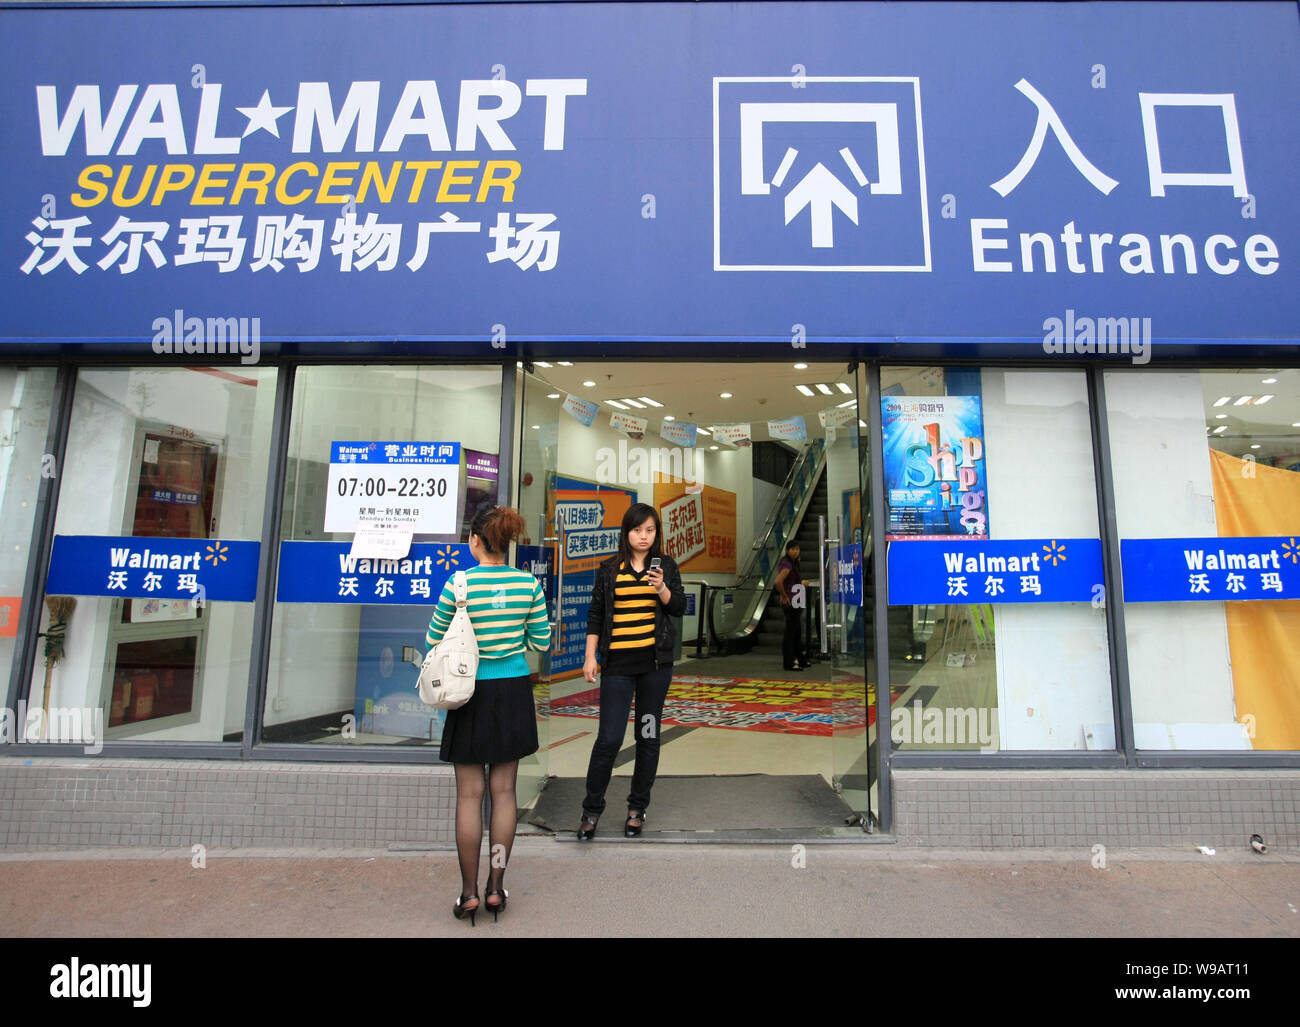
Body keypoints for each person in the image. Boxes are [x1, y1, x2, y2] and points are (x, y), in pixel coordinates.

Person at [426, 505, 550, 925]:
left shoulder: (458, 583)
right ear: (507, 542)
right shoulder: (527, 584)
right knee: (504, 792)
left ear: (475, 541)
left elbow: (433, 637)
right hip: (512, 692)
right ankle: (496, 887)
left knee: (469, 795)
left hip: (468, 693)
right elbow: (542, 640)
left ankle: (468, 894)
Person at [577, 503, 686, 840]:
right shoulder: (610, 569)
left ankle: (637, 808)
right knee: (608, 739)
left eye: (650, 530)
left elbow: (680, 606)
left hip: (655, 669)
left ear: (657, 533)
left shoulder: (665, 566)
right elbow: (596, 615)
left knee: (648, 737)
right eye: (638, 530)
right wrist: (590, 656)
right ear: (626, 532)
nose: (644, 536)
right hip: (618, 669)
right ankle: (591, 810)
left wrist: (662, 588)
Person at [773, 541, 807, 671]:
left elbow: (791, 581)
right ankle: (789, 662)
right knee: (790, 633)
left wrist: (800, 582)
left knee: (796, 632)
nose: (796, 551)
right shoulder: (787, 564)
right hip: (791, 602)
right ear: (787, 550)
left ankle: (800, 659)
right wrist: (785, 596)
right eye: (793, 549)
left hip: (796, 601)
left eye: (797, 549)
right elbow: (778, 582)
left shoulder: (793, 563)